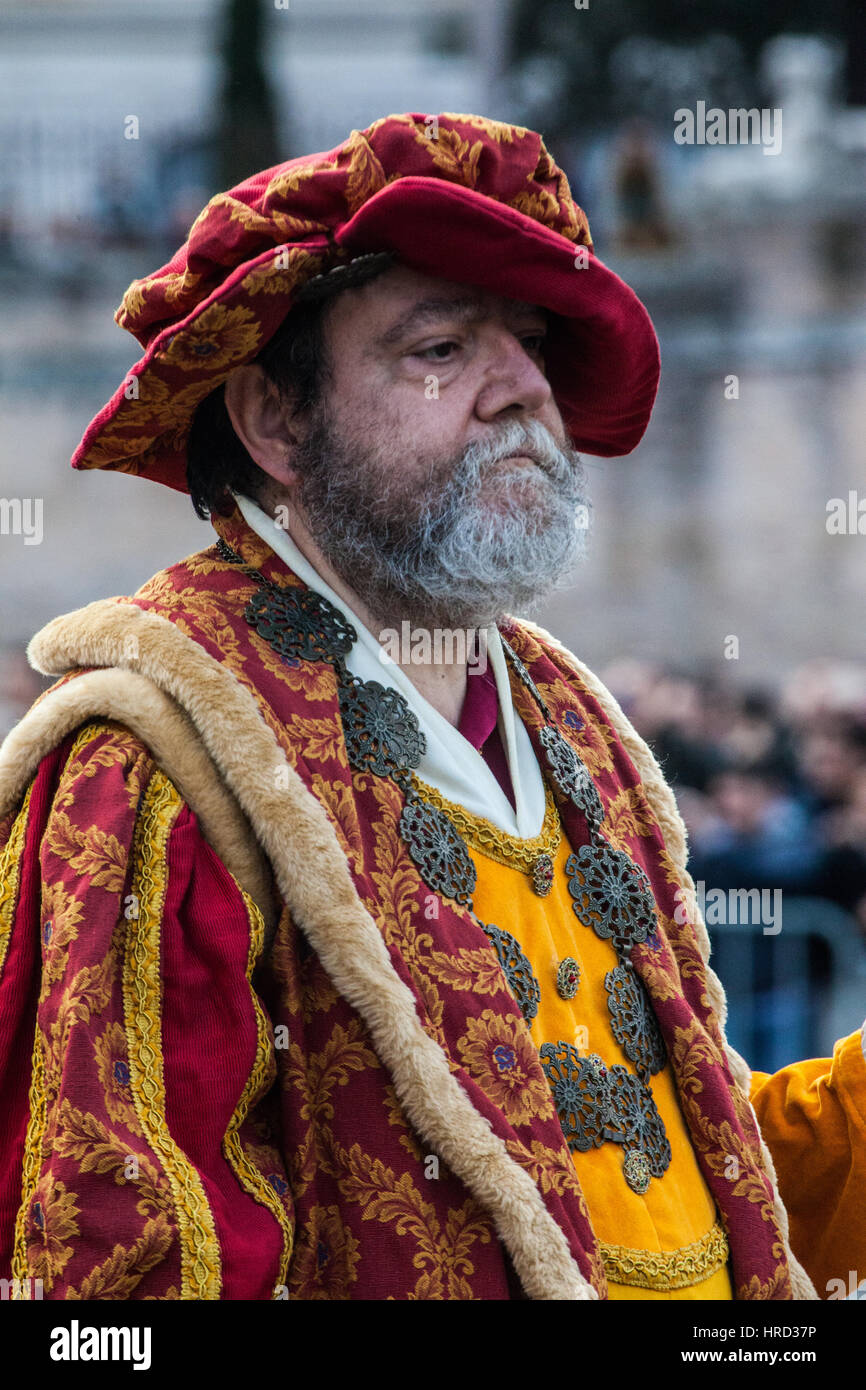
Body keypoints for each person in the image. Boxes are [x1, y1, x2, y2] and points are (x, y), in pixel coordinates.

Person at [0, 112, 862, 1302]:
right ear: (274, 421)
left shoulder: (572, 721)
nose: (520, 389)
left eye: (526, 338)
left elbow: (676, 1198)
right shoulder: (157, 761)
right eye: (440, 347)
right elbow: (124, 1283)